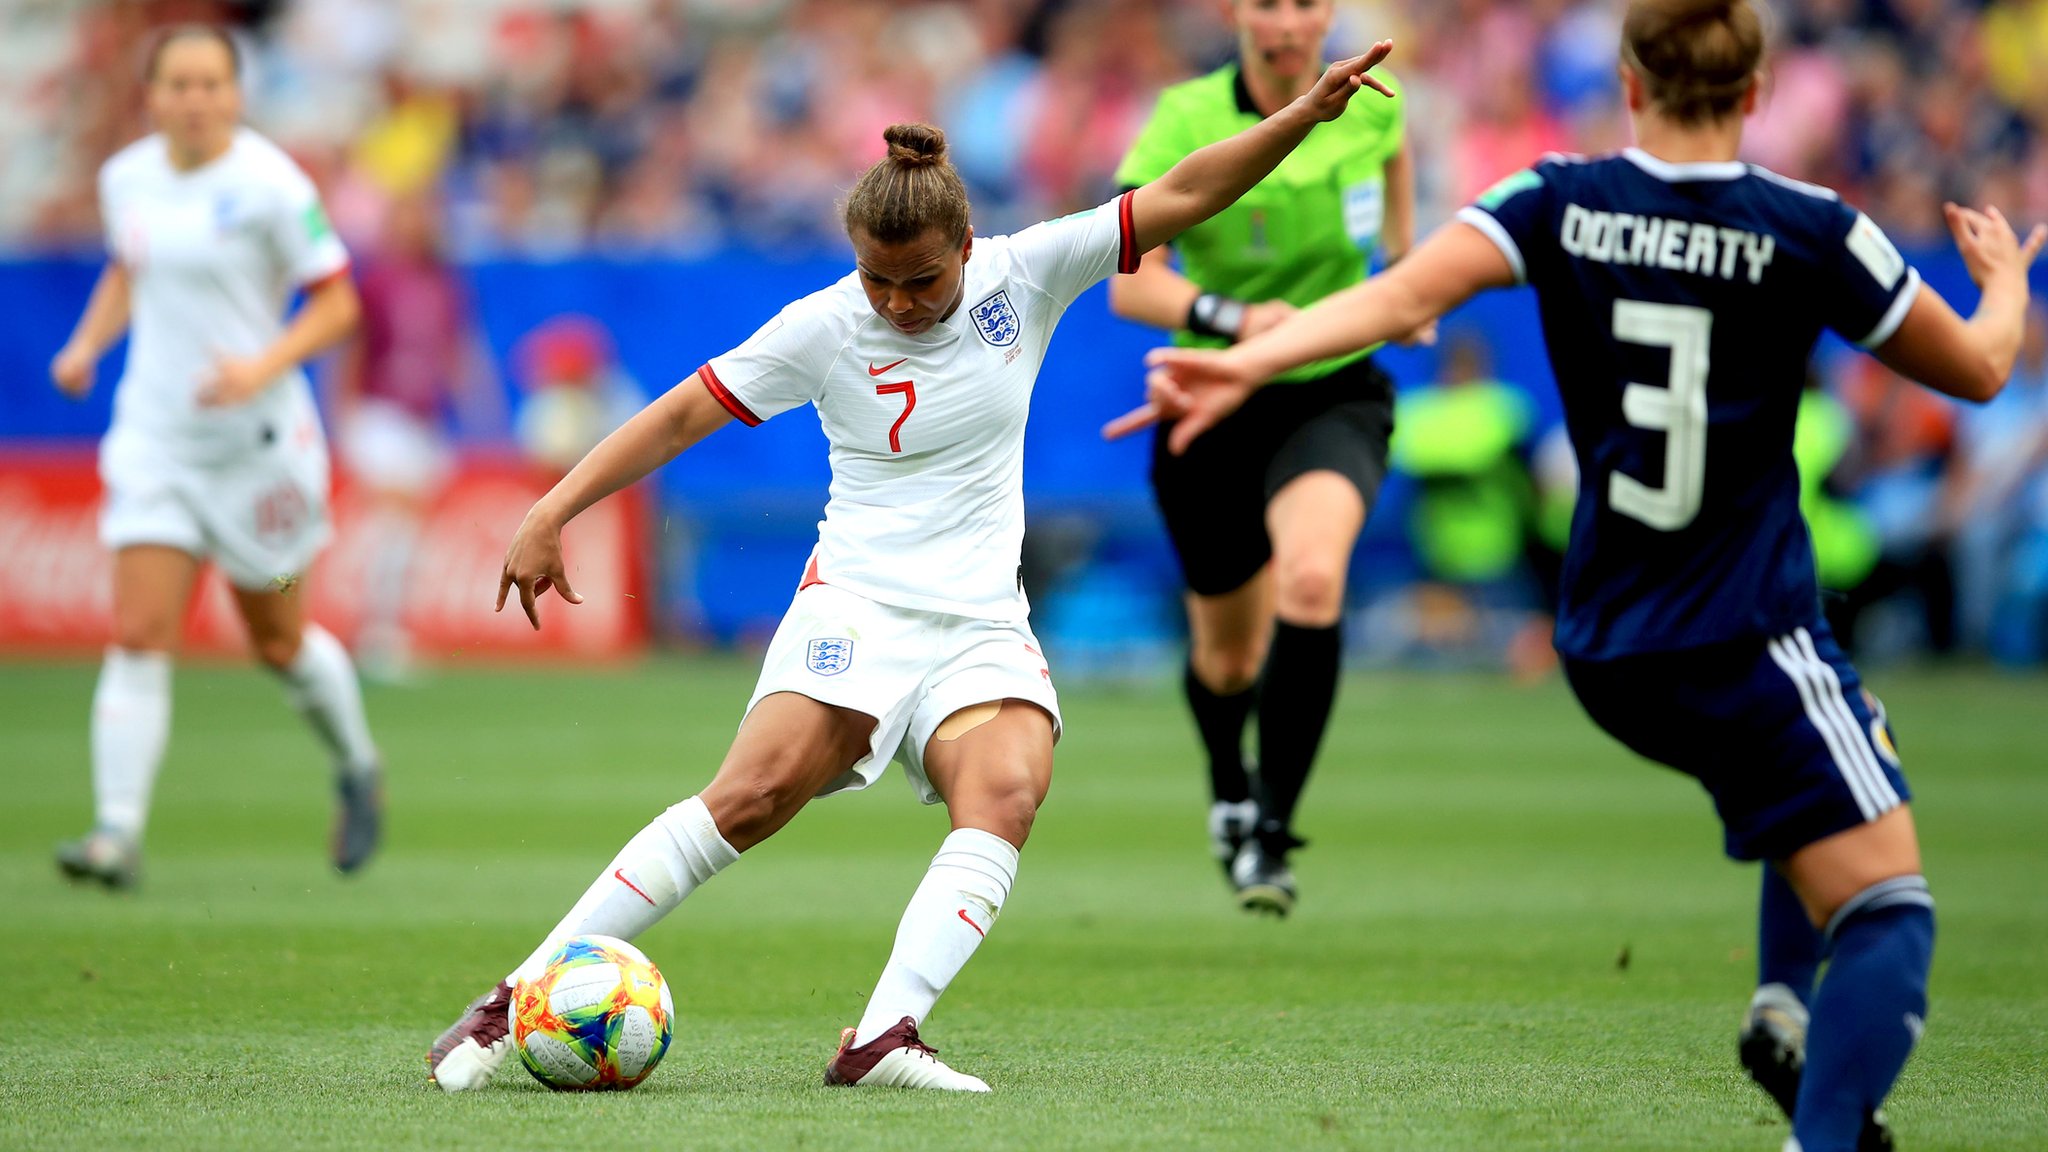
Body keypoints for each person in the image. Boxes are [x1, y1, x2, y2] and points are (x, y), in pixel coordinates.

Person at [1125, 1, 2040, 1147]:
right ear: (1756, 93)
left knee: (1852, 751)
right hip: (1742, 628)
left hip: (1604, 638)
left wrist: (1240, 361)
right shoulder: (1813, 228)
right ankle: (1821, 1121)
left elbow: (1400, 297)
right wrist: (2003, 281)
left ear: (1630, 83)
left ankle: (1780, 1006)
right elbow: (1981, 369)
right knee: (1887, 902)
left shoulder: (1557, 199)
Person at [425, 45, 1396, 1095]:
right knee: (747, 797)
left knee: (1010, 787)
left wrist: (1302, 115)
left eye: (920, 278)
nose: (895, 301)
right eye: (876, 278)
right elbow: (677, 416)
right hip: (858, 603)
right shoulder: (821, 326)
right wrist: (553, 507)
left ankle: (881, 1037)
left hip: (978, 623)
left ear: (966, 246)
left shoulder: (1026, 274)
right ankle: (507, 1004)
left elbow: (1184, 191)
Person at [48, 25, 384, 888]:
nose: (194, 100)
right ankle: (115, 833)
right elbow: (131, 268)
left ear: (237, 94)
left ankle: (355, 763)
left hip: (259, 458)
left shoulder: (271, 186)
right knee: (138, 631)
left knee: (277, 636)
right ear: (152, 94)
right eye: (178, 85)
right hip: (157, 443)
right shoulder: (128, 178)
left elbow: (336, 304)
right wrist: (88, 344)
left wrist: (261, 367)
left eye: (210, 84)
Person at [1104, 0, 1415, 915]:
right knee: (1228, 660)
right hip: (1211, 400)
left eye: (1306, 2)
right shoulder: (1184, 120)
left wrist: (1407, 292)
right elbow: (1132, 287)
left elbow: (1396, 246)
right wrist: (1235, 323)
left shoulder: (1382, 105)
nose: (1288, 21)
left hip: (1333, 390)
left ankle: (1272, 836)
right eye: (1268, 2)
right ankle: (1230, 790)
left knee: (1313, 583)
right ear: (1236, 12)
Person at [334, 189, 492, 682]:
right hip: (380, 412)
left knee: (406, 530)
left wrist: (478, 408)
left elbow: (457, 351)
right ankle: (377, 633)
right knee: (395, 519)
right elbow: (352, 348)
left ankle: (383, 627)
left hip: (424, 420)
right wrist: (342, 415)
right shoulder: (376, 283)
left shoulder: (446, 284)